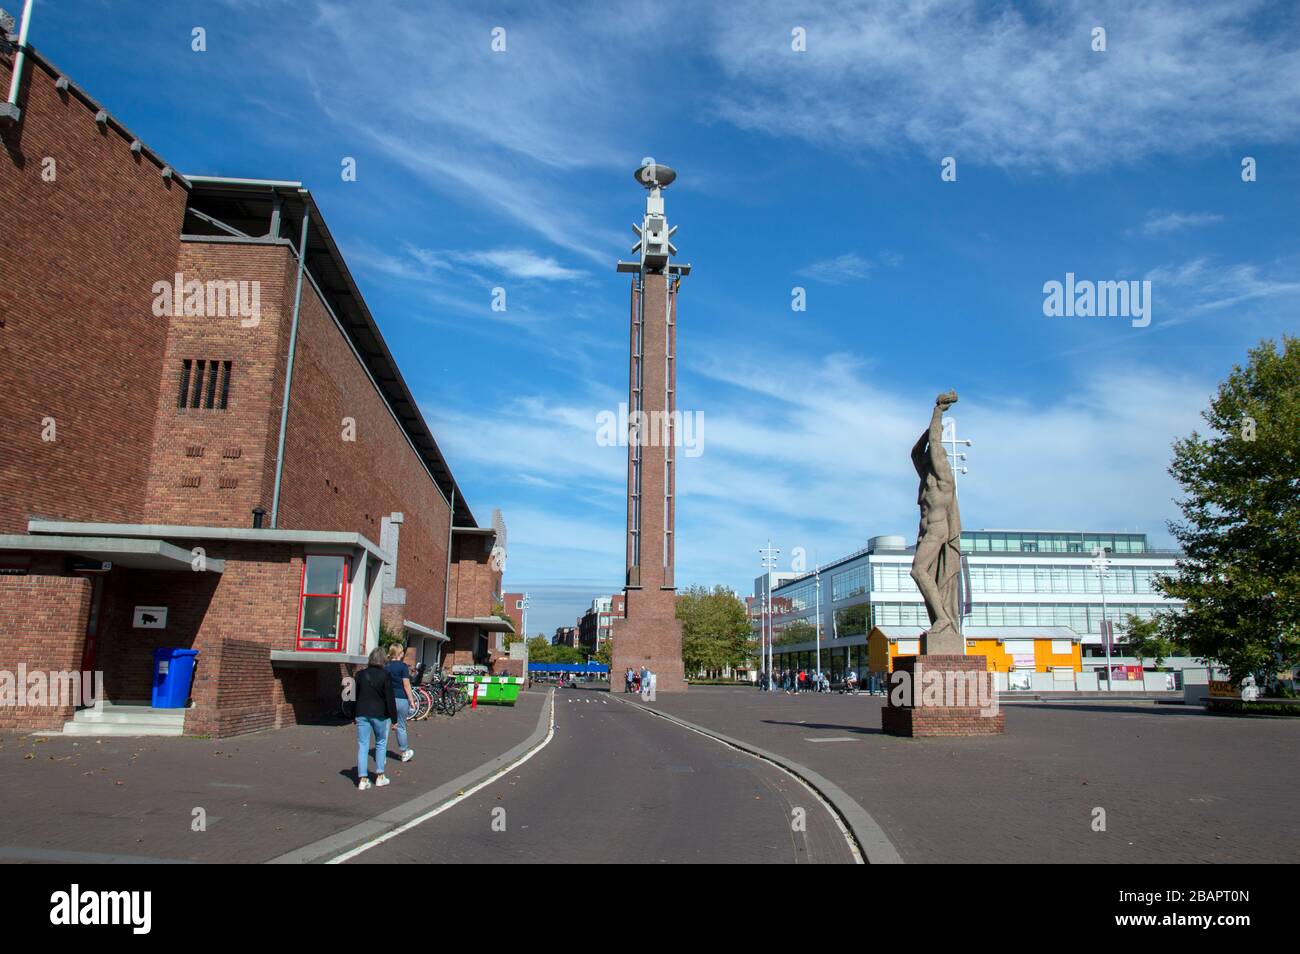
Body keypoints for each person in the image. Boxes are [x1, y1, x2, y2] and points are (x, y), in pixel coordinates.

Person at [355, 647, 398, 790]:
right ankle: (380, 776)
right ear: (383, 660)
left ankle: (362, 778)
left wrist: (352, 714)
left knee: (363, 745)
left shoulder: (360, 675)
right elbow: (389, 698)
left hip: (362, 712)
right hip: (380, 714)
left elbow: (355, 695)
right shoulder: (385, 675)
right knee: (380, 743)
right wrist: (394, 719)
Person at [386, 644, 416, 764]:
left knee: (385, 727)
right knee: (401, 726)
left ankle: (381, 754)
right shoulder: (403, 667)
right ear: (400, 653)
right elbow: (406, 684)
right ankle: (404, 752)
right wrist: (411, 700)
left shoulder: (385, 666)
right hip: (401, 698)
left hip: (388, 698)